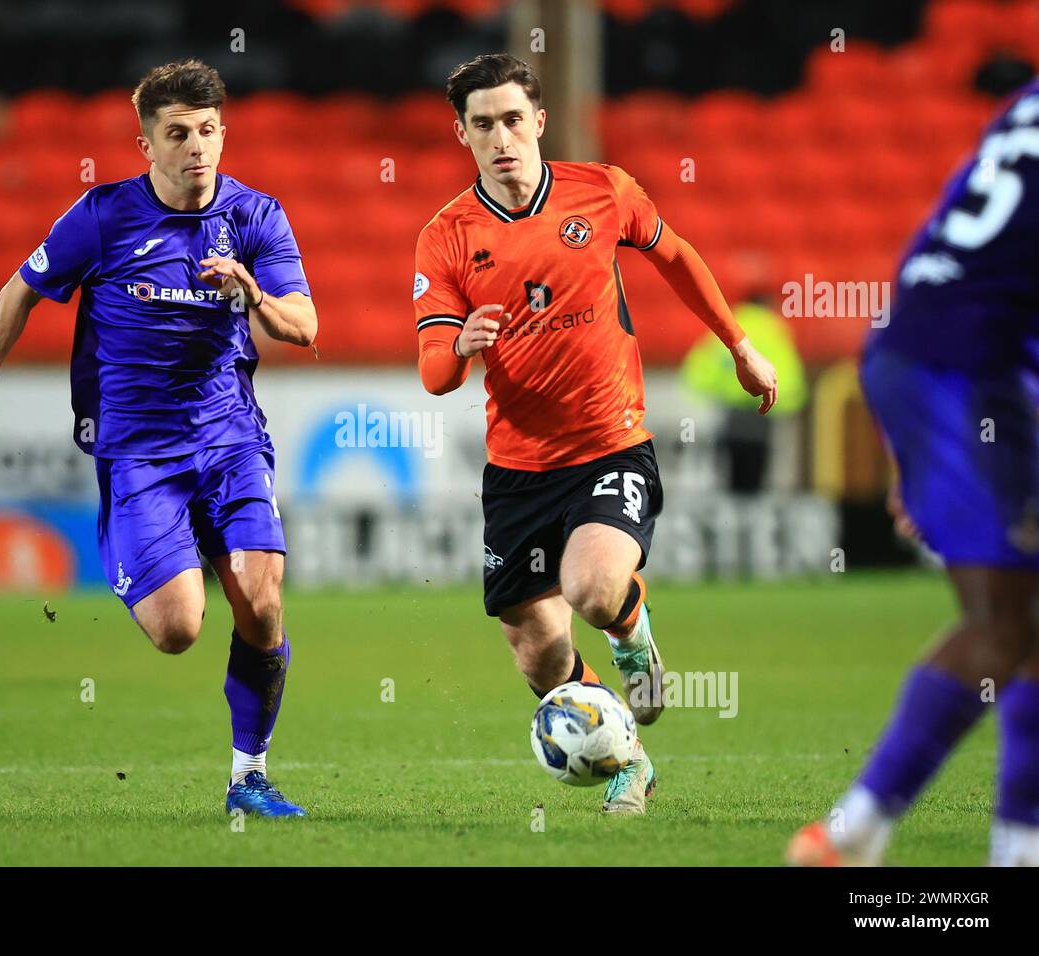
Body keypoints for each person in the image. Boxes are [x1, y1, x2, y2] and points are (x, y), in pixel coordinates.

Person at [0, 60, 317, 817]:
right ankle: (131, 542)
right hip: (139, 449)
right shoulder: (106, 216)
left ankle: (249, 776)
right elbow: (19, 290)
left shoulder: (255, 218)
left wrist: (251, 290)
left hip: (230, 440)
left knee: (264, 604)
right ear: (145, 143)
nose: (196, 148)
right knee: (178, 629)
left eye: (208, 131)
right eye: (177, 134)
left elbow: (305, 326)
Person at [413, 54, 778, 813]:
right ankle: (629, 761)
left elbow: (674, 255)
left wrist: (738, 344)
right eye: (483, 124)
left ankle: (632, 628)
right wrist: (461, 347)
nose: (502, 137)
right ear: (463, 134)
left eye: (514, 119)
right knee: (538, 653)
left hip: (610, 443)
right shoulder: (446, 237)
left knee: (590, 587)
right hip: (517, 470)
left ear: (539, 122)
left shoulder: (603, 191)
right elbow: (434, 374)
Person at [790, 78, 1039, 866]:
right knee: (1004, 623)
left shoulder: (1027, 102)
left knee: (1026, 616)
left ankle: (1014, 848)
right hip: (967, 373)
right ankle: (855, 830)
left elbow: (961, 252)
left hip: (933, 360)